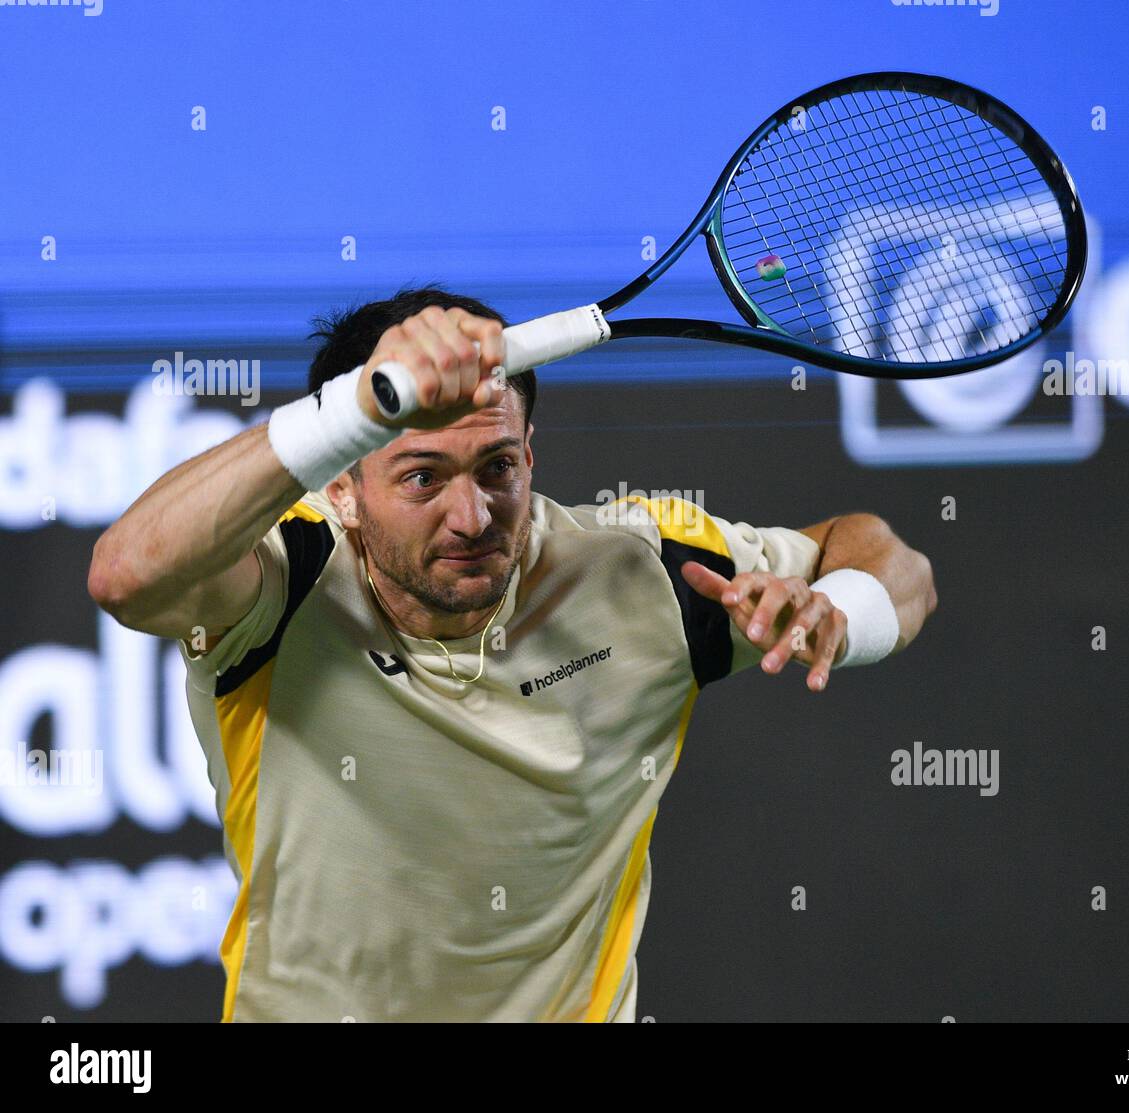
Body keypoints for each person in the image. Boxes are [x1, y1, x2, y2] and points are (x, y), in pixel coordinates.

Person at [87, 285, 938, 1022]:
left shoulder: (646, 574)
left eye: (497, 466)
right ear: (340, 486)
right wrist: (353, 409)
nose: (472, 516)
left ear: (531, 454)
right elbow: (128, 573)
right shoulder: (285, 583)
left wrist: (836, 607)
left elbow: (890, 562)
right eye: (421, 476)